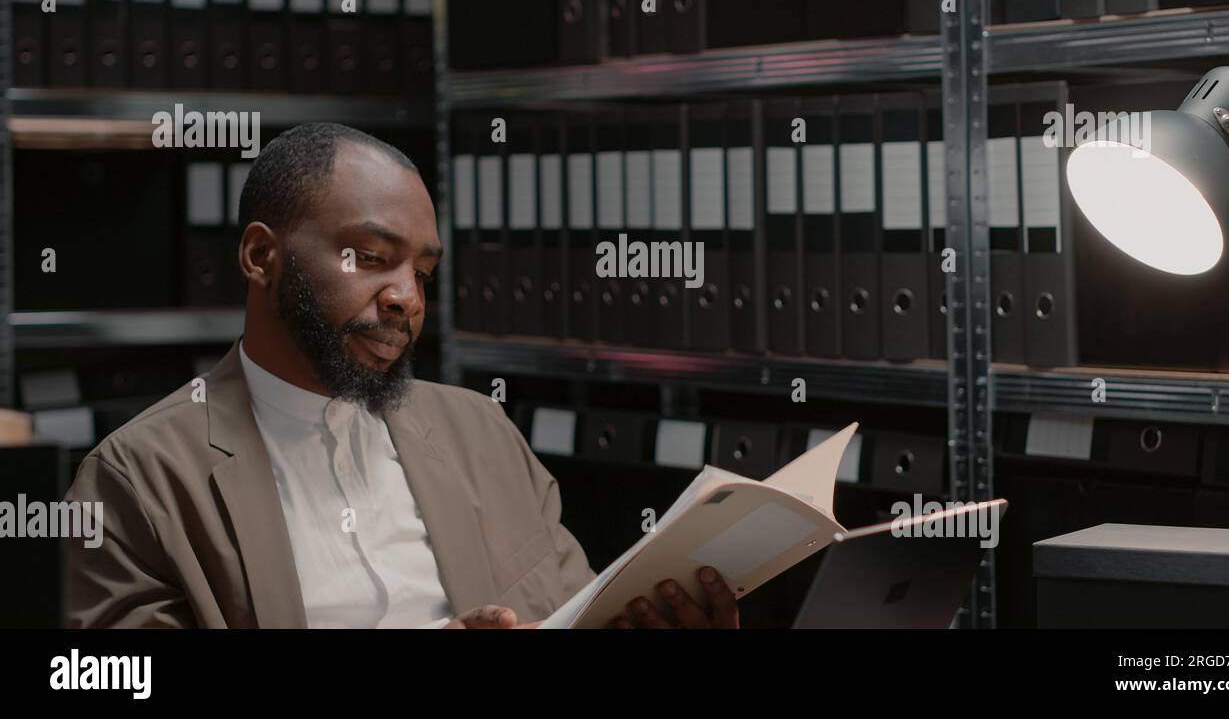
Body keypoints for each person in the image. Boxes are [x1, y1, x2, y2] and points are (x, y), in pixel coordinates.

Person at [63, 123, 739, 629]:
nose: (407, 299)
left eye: (421, 273)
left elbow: (573, 608)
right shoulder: (135, 480)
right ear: (262, 255)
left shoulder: (483, 431)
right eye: (372, 256)